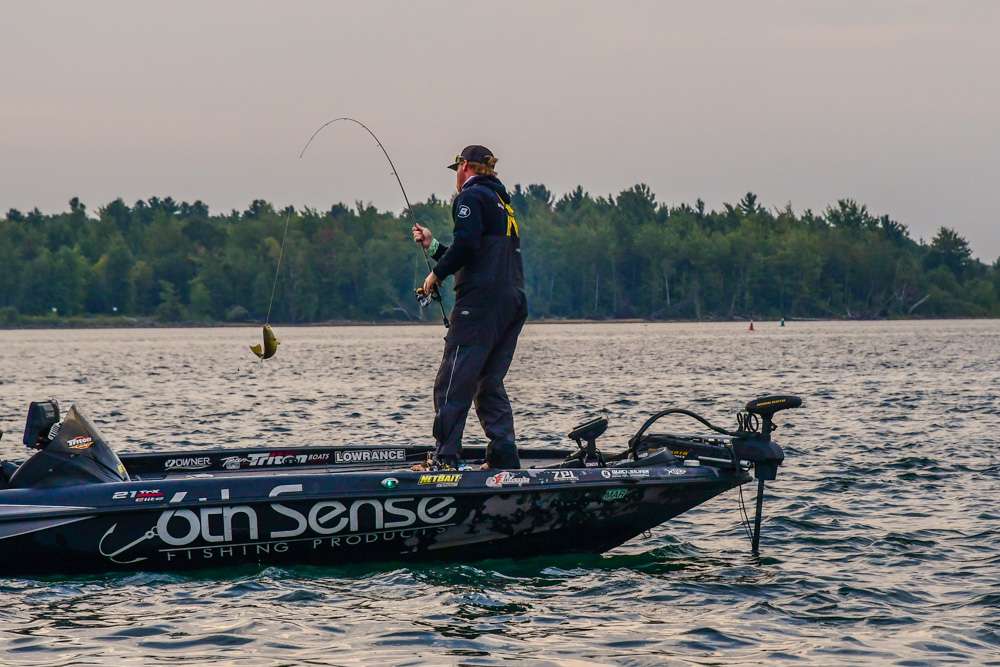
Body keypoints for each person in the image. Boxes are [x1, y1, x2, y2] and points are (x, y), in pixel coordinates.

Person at [411, 145, 527, 470]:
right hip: (512, 302)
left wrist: (435, 274)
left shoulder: (469, 197)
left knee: (452, 381)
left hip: (480, 305)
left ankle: (444, 460)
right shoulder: (501, 203)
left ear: (464, 166)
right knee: (487, 382)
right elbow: (475, 255)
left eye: (457, 169)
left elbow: (465, 246)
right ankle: (504, 459)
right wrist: (433, 247)